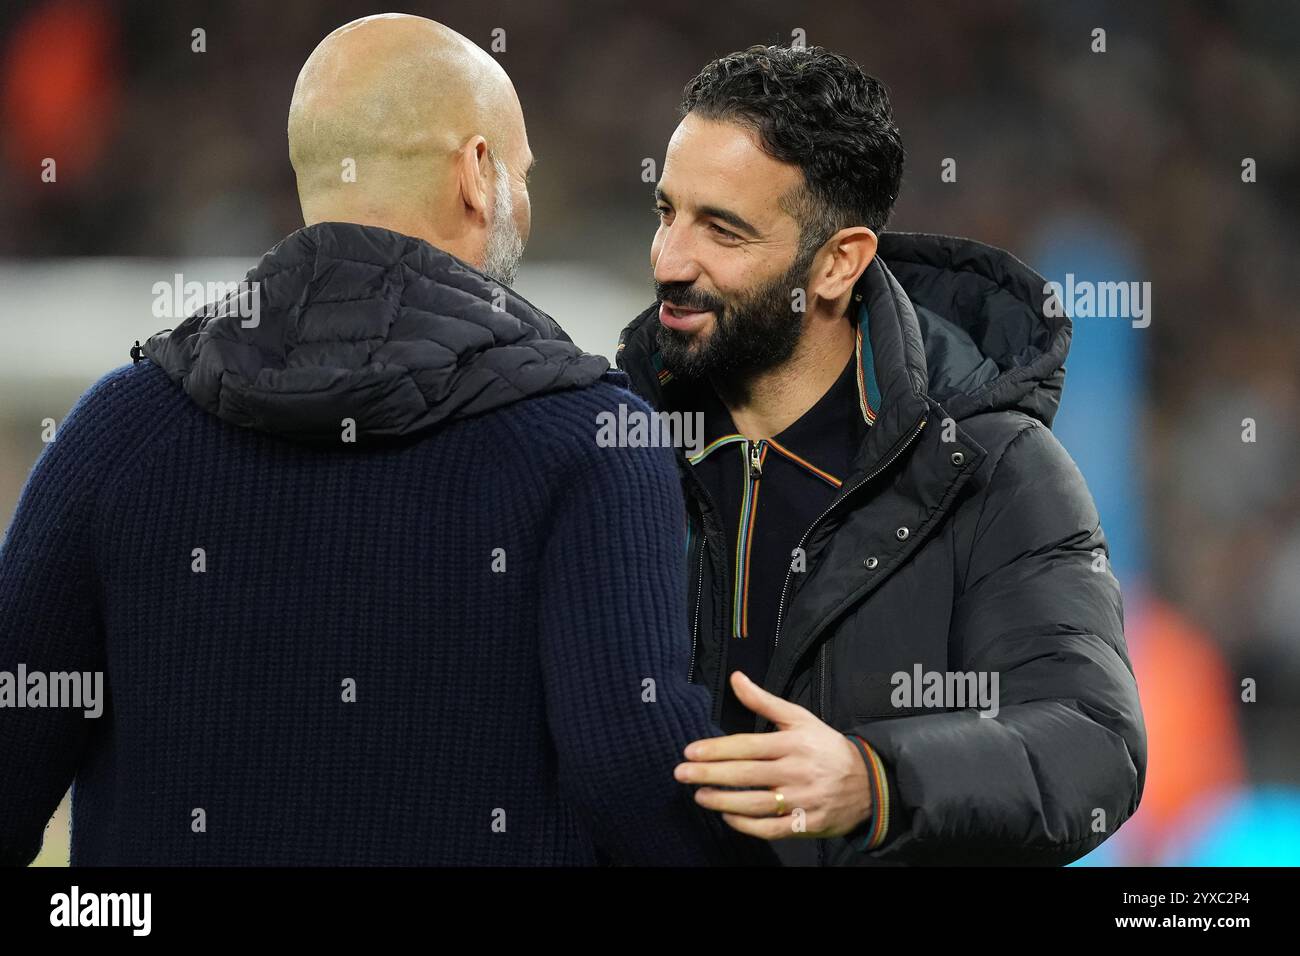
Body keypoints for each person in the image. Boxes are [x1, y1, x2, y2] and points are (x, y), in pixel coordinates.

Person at [0, 14, 773, 867]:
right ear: (479, 175)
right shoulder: (593, 440)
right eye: (520, 169)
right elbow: (634, 774)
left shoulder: (119, 428)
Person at [616, 44, 1147, 865]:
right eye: (666, 212)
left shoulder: (994, 469)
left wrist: (877, 781)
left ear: (836, 264)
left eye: (722, 230)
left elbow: (1093, 744)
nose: (670, 261)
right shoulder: (617, 444)